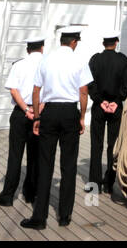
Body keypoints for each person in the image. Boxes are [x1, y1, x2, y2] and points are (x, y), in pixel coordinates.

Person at [21, 28, 92, 230]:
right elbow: (84, 93)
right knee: (68, 165)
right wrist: (81, 117)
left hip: (50, 112)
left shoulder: (46, 60)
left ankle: (39, 217)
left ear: (61, 41)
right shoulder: (80, 61)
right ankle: (64, 215)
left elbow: (36, 91)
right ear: (74, 42)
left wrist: (37, 117)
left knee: (45, 164)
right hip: (70, 111)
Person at [0, 36, 45, 207]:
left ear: (28, 49)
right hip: (41, 113)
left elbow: (13, 91)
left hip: (21, 113)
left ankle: (7, 196)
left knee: (15, 155)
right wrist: (37, 110)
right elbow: (50, 91)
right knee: (35, 156)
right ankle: (31, 194)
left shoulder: (18, 64)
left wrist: (26, 109)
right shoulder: (47, 64)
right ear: (42, 48)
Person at [87, 34, 127, 194]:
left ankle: (94, 184)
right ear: (116, 42)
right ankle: (109, 183)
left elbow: (90, 83)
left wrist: (100, 101)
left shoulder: (95, 60)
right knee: (113, 145)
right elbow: (126, 84)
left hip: (99, 106)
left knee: (96, 144)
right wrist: (116, 101)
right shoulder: (123, 60)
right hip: (115, 108)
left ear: (103, 42)